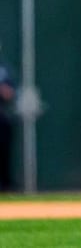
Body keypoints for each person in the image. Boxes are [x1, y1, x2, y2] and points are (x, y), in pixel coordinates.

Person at [0, 47, 14, 192]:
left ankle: (6, 186)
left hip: (1, 117)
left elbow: (9, 93)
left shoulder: (3, 69)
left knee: (4, 153)